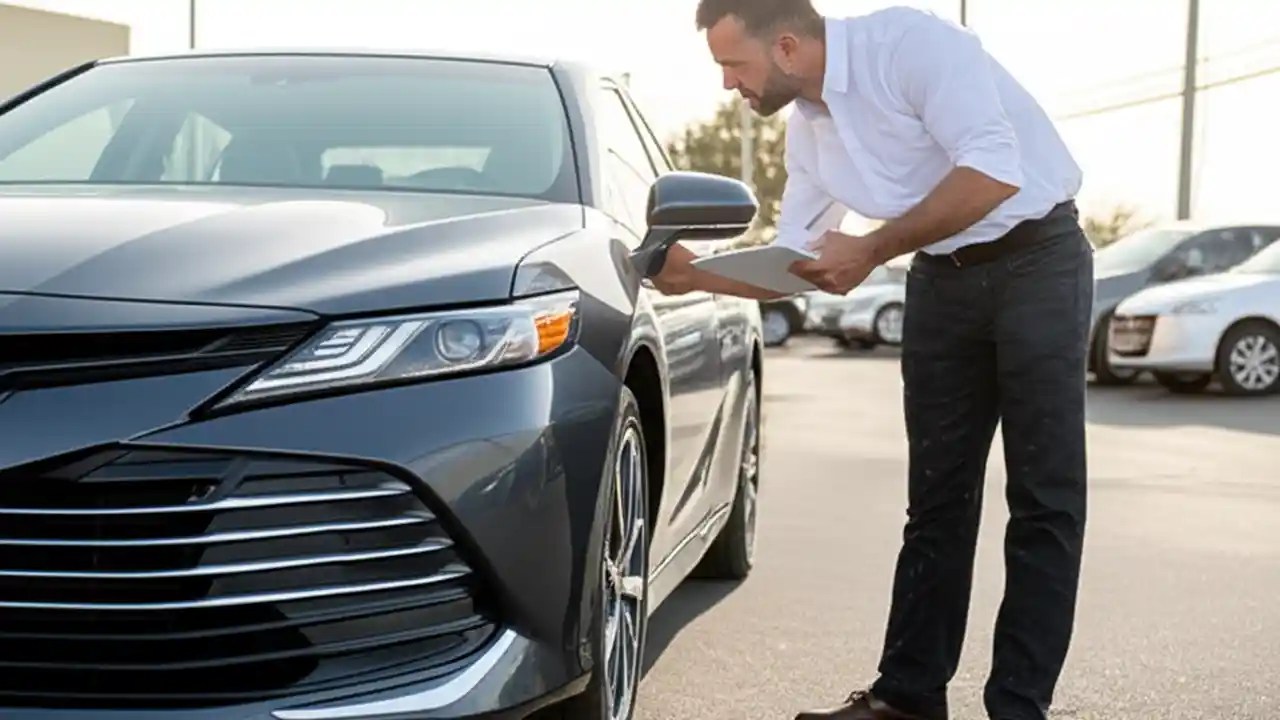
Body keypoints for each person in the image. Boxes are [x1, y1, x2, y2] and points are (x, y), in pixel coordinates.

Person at [652, 2, 1092, 720]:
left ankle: (1018, 707)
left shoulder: (914, 45)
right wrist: (695, 274)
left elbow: (993, 171)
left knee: (1044, 499)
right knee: (937, 500)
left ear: (788, 46)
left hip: (1038, 262)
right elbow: (796, 260)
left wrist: (874, 248)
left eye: (735, 65)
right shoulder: (810, 133)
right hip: (942, 278)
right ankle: (908, 699)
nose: (731, 84)